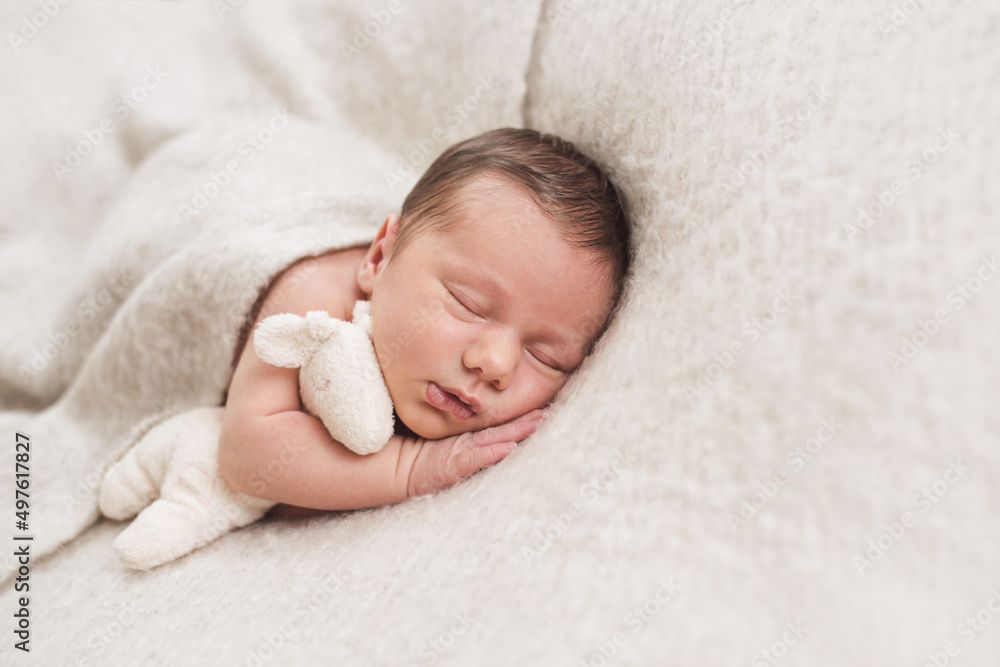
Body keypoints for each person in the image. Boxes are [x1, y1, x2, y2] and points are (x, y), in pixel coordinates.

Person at [218, 127, 631, 515]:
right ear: (379, 257)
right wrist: (413, 467)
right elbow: (246, 452)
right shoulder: (312, 305)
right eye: (467, 304)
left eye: (545, 357)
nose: (496, 364)